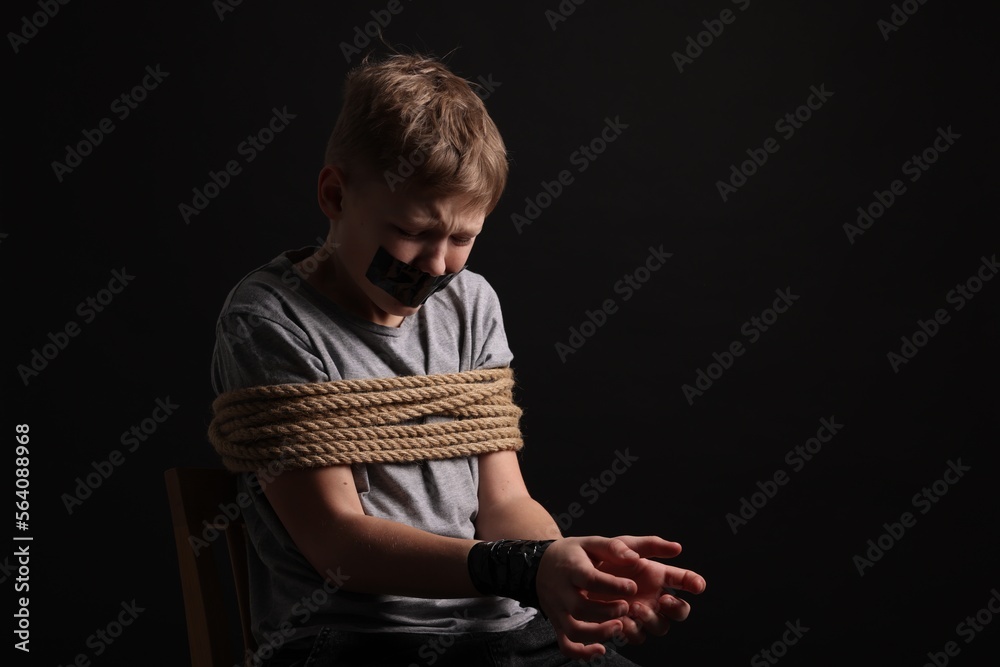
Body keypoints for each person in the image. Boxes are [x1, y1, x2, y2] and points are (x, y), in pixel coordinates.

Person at [208, 51, 706, 667]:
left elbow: (504, 504)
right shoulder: (270, 321)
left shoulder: (468, 302)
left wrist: (574, 575)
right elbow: (340, 546)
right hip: (357, 641)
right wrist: (524, 569)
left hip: (501, 627)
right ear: (335, 195)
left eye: (463, 238)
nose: (438, 265)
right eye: (414, 231)